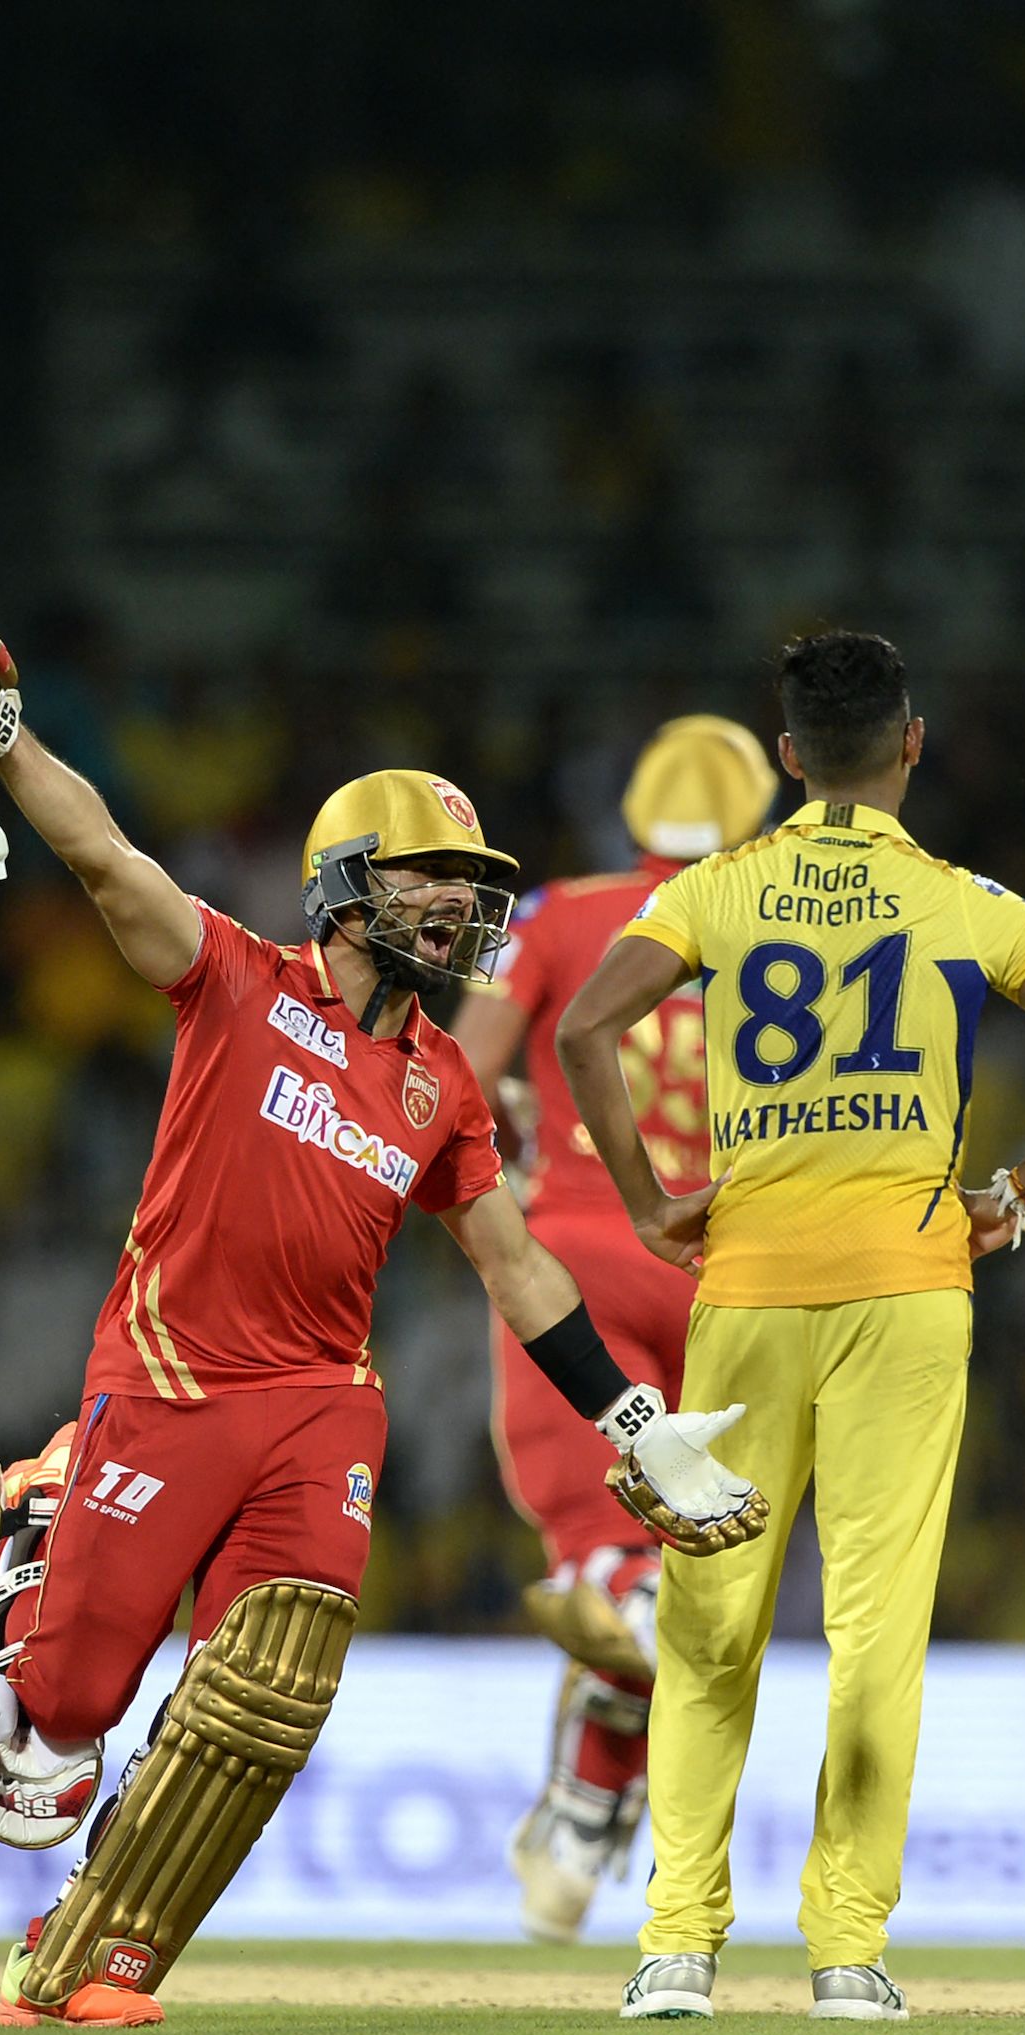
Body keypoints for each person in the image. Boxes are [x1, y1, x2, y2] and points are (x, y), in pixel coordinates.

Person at [0, 628, 767, 2029]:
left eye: (472, 887)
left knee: (271, 1691)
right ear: (348, 888)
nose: (459, 908)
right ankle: (38, 1532)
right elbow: (108, 860)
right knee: (63, 1708)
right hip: (169, 1382)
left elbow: (519, 1266)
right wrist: (2, 734)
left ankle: (96, 1953)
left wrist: (634, 1420)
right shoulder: (236, 982)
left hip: (317, 1403)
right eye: (430, 878)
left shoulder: (442, 1093)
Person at [556, 630, 1025, 2022]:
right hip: (909, 1290)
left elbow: (587, 1033)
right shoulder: (970, 903)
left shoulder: (716, 888)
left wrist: (655, 1205)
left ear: (784, 758)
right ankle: (845, 1957)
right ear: (912, 744)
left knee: (712, 1613)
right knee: (875, 1629)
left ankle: (674, 1949)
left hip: (748, 1291)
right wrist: (1012, 1195)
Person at [451, 715, 777, 1942]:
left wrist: (520, 1131)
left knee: (601, 1535)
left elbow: (469, 1076)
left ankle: (591, 1771)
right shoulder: (785, 918)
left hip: (581, 1247)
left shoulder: (558, 914)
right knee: (689, 1555)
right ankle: (589, 1805)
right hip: (738, 1266)